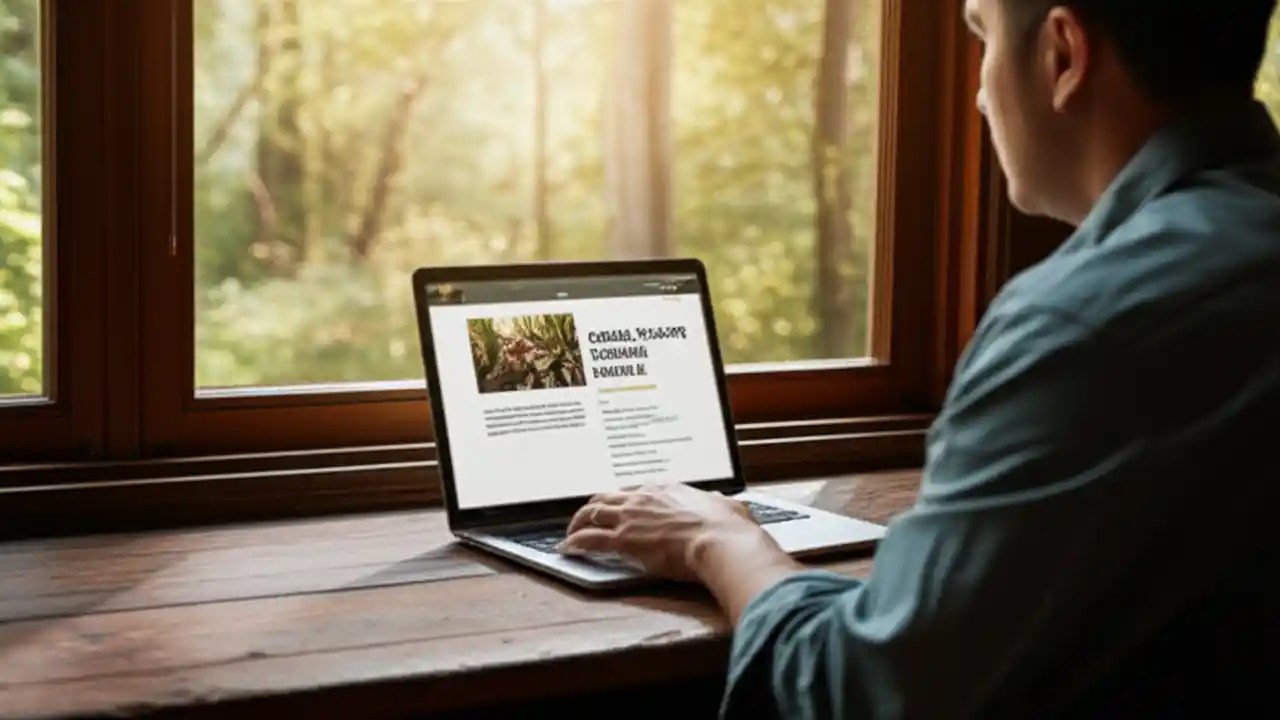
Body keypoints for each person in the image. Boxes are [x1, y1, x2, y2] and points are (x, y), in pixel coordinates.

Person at [559, 0, 1280, 716]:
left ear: (1062, 56)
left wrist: (715, 538)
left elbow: (859, 694)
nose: (977, 92)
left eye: (982, 39)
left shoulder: (1087, 323)